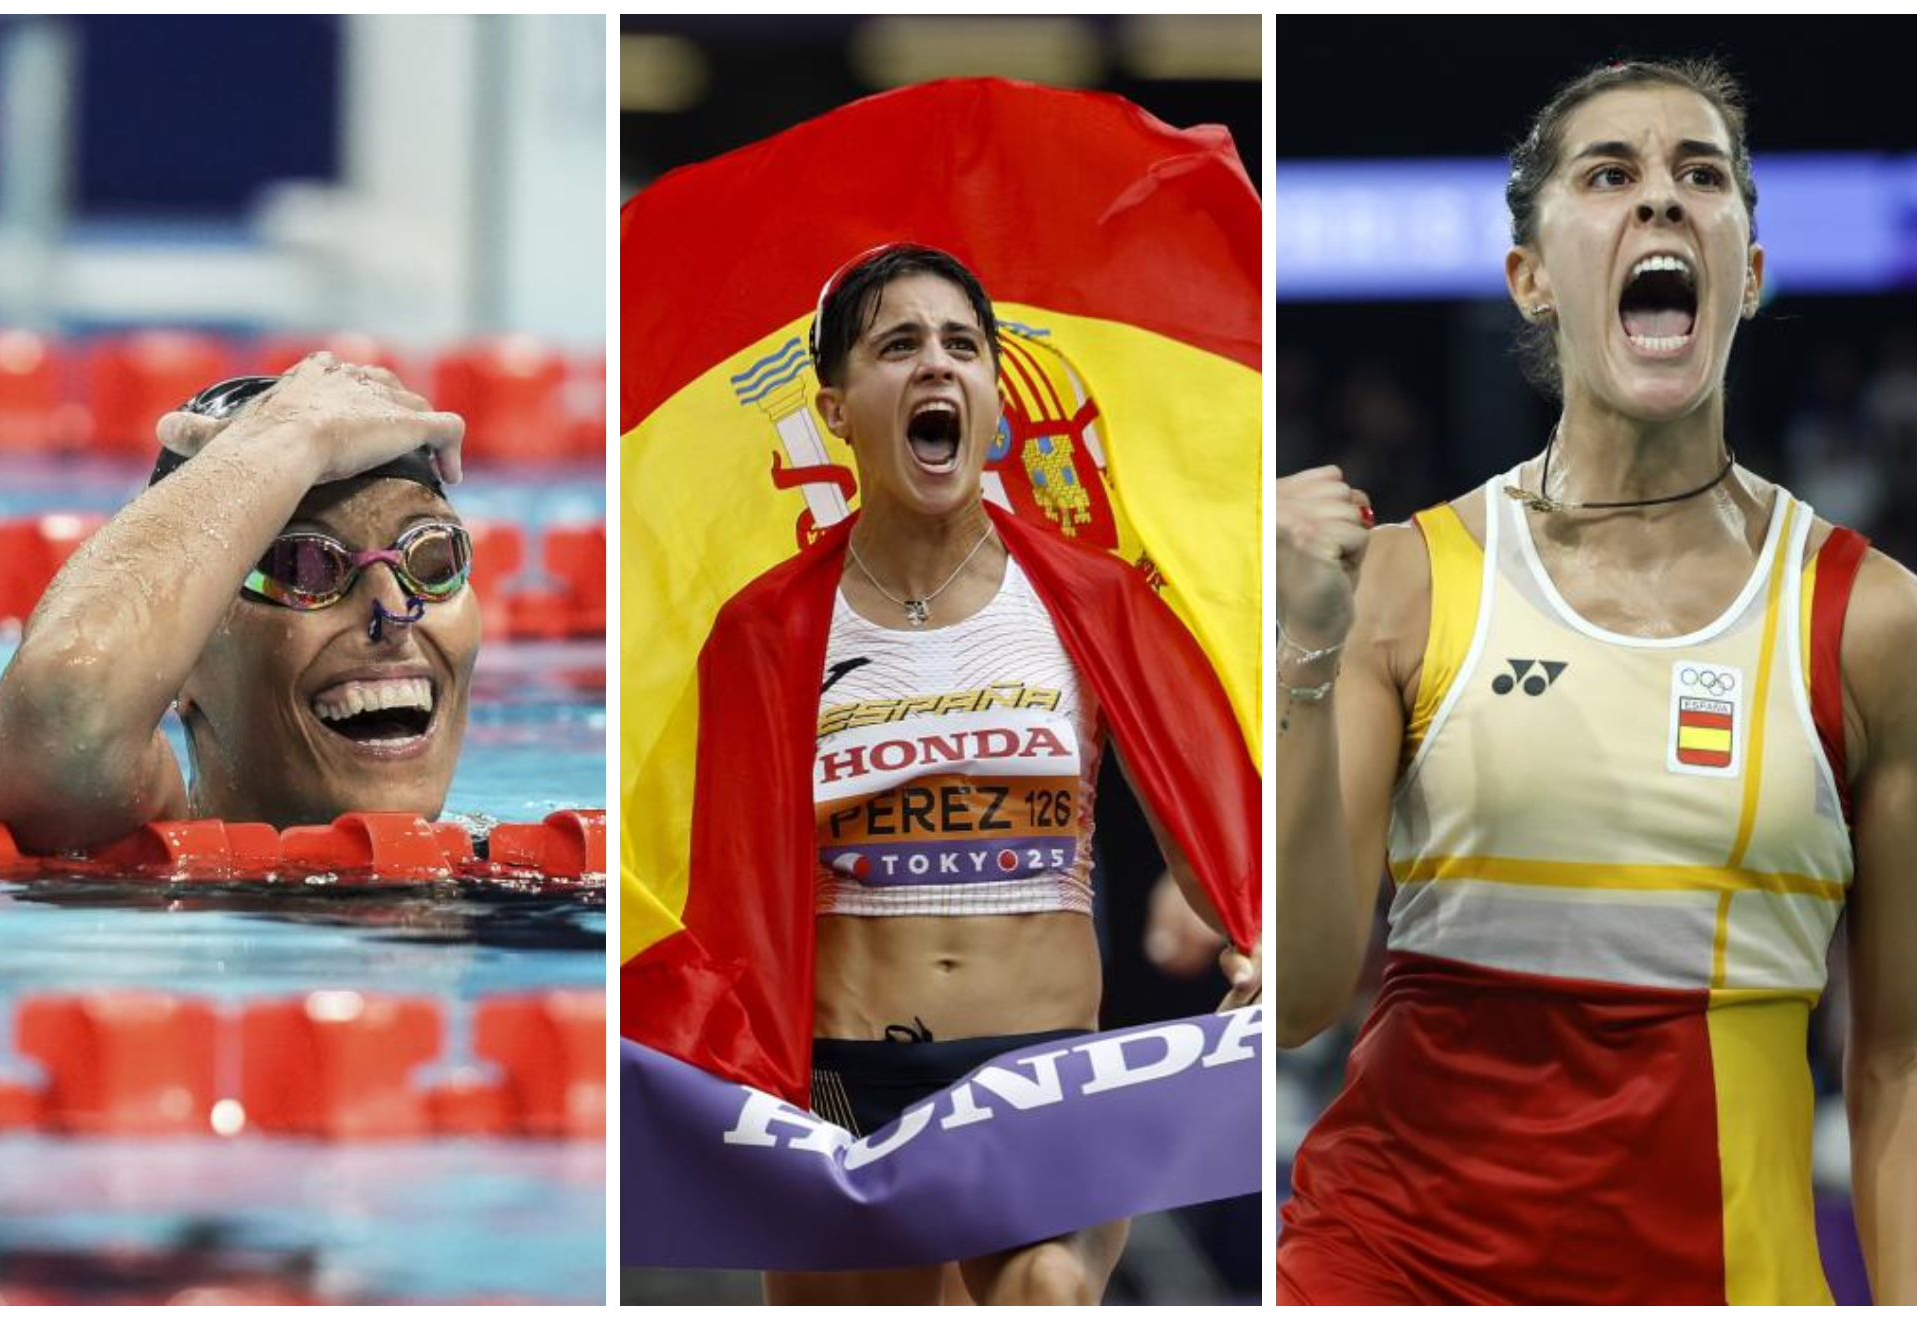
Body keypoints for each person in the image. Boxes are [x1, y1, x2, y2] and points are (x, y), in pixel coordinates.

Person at [1274, 59, 1915, 1305]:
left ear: (1749, 273)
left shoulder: (1872, 620)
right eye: (1610, 174)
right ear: (1530, 276)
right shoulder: (1405, 583)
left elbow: (1898, 1064)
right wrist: (1304, 651)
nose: (1661, 199)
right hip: (1396, 1269)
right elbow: (1301, 996)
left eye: (1701, 174)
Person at [690, 243, 1261, 1305]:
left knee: (1045, 1287)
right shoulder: (763, 630)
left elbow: (1204, 802)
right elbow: (725, 889)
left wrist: (1251, 927)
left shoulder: (1092, 600)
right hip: (845, 1086)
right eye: (897, 345)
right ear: (835, 410)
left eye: (962, 345)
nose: (936, 365)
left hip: (1040, 1073)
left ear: (996, 397)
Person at [0, 354, 474, 853]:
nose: (393, 613)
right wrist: (290, 437)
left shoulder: (504, 861)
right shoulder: (145, 868)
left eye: (432, 559)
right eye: (305, 567)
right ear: (180, 661)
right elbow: (67, 704)